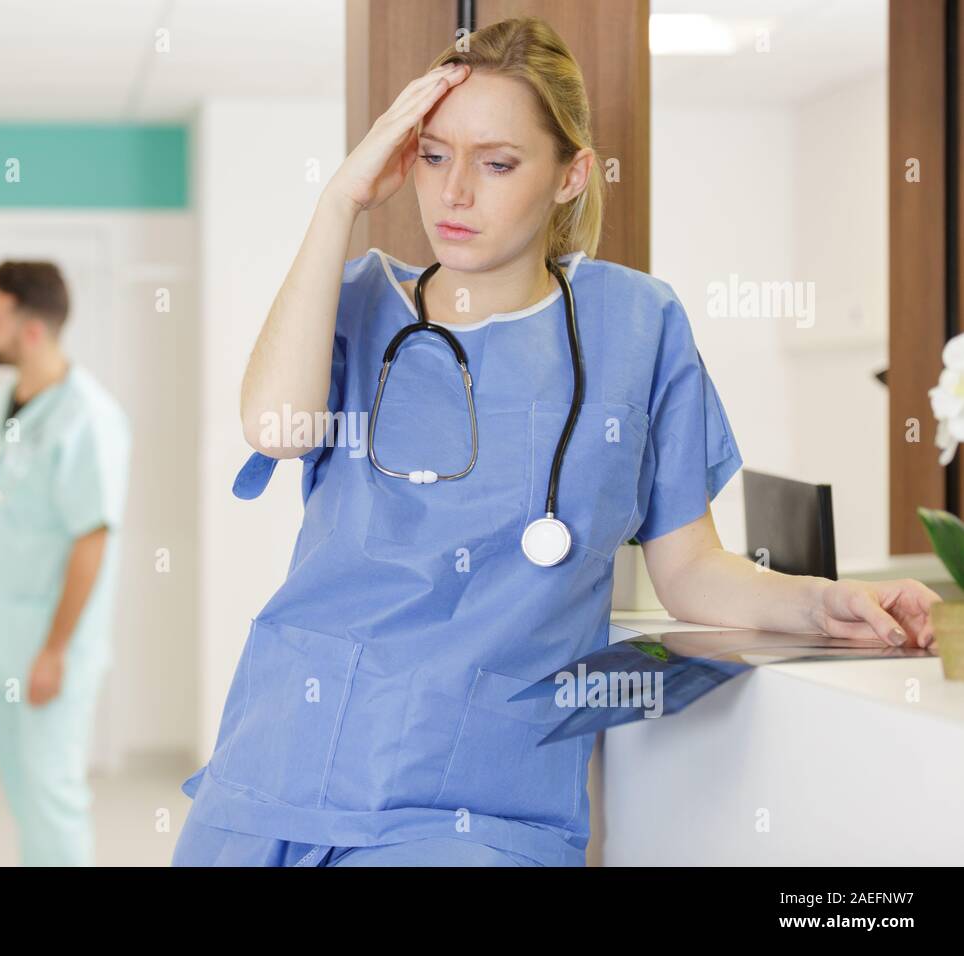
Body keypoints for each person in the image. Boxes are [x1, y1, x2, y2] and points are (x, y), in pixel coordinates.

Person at [172, 16, 941, 867]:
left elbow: (688, 568)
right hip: (277, 766)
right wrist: (338, 201)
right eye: (432, 156)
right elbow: (273, 427)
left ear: (571, 175)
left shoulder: (636, 325)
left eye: (496, 163)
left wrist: (816, 604)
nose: (454, 191)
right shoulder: (358, 299)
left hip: (474, 800)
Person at [0, 261, 131, 867]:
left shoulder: (88, 419)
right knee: (24, 796)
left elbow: (91, 539)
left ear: (30, 331)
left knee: (53, 798)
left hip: (53, 650)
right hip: (1, 640)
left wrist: (54, 649)